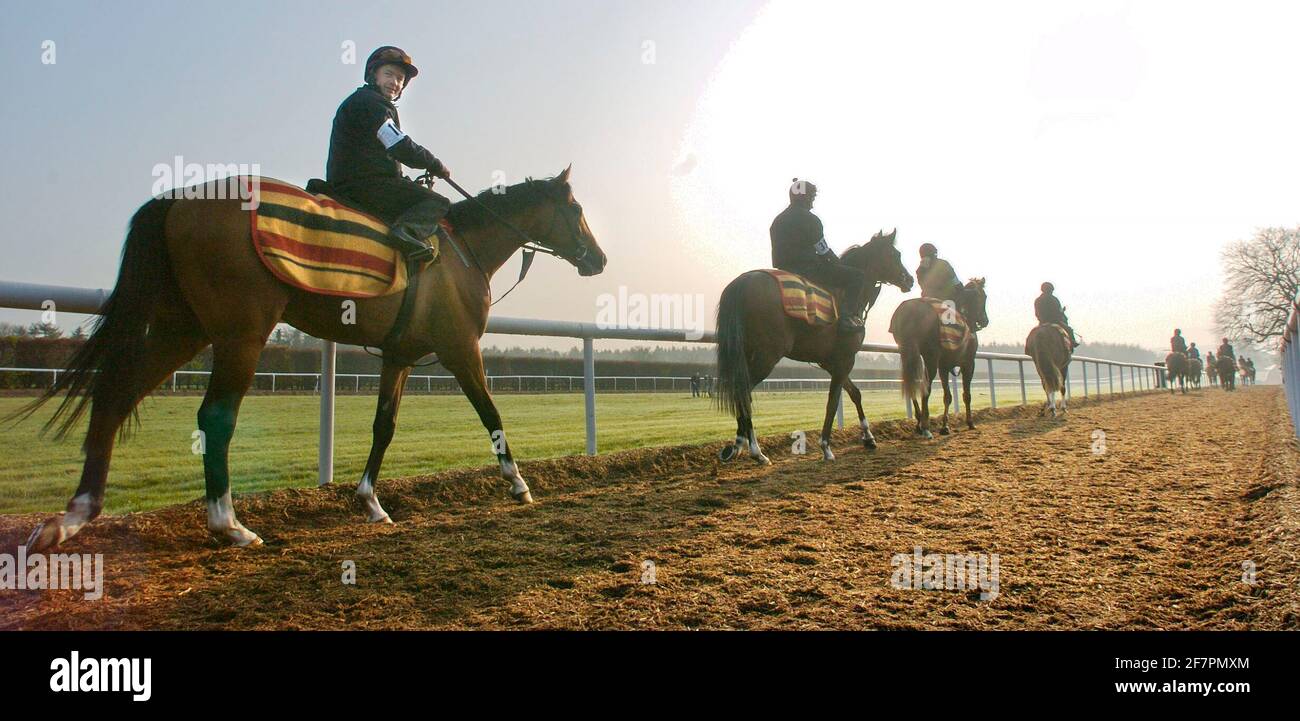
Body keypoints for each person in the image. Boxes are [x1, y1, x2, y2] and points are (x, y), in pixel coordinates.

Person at [326, 46, 452, 262]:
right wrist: (434, 164)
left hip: (361, 181)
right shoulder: (370, 103)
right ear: (373, 75)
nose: (395, 82)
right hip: (363, 185)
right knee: (438, 203)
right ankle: (406, 234)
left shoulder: (370, 102)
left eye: (400, 78)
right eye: (388, 75)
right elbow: (399, 144)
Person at [770, 179, 869, 334]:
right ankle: (845, 319)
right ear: (805, 197)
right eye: (812, 198)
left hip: (783, 269)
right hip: (808, 270)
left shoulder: (778, 220)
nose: (812, 203)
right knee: (857, 276)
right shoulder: (811, 220)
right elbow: (823, 251)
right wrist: (839, 264)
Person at [1033, 282, 1078, 349]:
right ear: (1051, 290)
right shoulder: (1054, 299)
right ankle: (1073, 342)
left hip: (1042, 322)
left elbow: (1037, 313)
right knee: (1069, 330)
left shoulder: (1037, 300)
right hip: (1054, 322)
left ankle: (1027, 348)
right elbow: (1058, 312)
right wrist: (1062, 312)